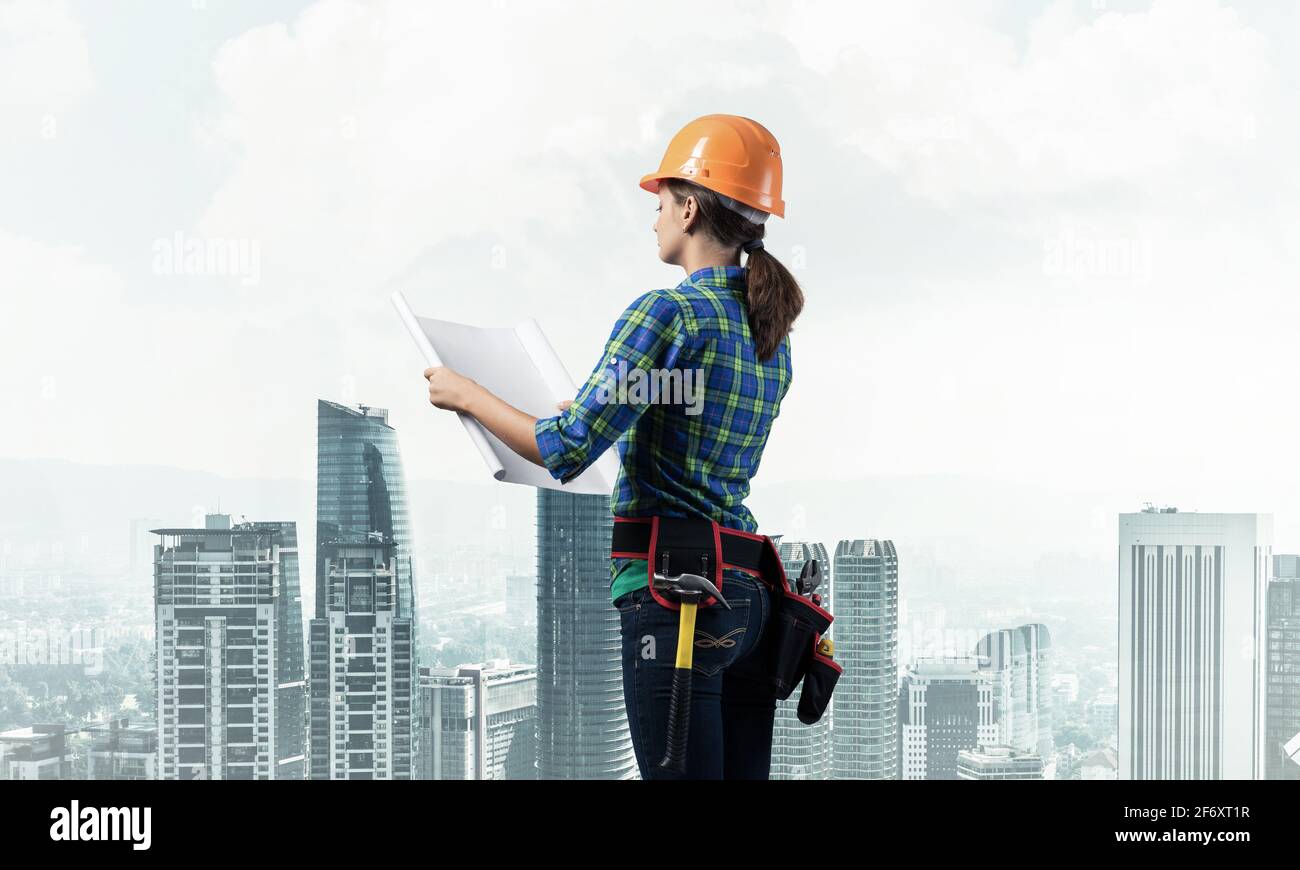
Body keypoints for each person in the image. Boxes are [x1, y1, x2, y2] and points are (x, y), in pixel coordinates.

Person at [422, 114, 804, 779]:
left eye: (659, 204)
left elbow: (567, 448)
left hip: (679, 599)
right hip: (748, 602)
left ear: (689, 207)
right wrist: (605, 408)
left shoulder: (668, 312)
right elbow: (692, 422)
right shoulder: (767, 330)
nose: (652, 220)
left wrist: (467, 394)